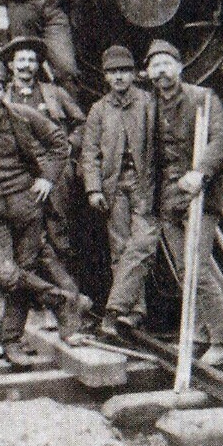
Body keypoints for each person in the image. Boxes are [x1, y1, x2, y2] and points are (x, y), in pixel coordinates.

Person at [0, 58, 78, 368]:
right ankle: (59, 298)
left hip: (26, 206)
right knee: (5, 274)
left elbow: (59, 143)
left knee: (23, 269)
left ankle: (11, 341)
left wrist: (47, 178)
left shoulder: (24, 116)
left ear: (5, 90)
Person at [145, 39, 223, 365]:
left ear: (179, 67)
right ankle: (199, 331)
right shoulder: (149, 107)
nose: (161, 71)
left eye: (166, 64)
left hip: (200, 194)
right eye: (154, 66)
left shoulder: (203, 98)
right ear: (148, 72)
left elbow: (220, 140)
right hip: (167, 201)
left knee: (195, 267)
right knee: (184, 271)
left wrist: (201, 172)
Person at [0, 35, 91, 320]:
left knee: (58, 231)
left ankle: (64, 300)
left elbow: (81, 123)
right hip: (19, 175)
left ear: (38, 65)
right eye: (21, 60)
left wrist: (68, 148)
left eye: (31, 60)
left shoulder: (54, 94)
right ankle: (37, 298)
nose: (26, 65)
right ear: (11, 65)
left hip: (55, 173)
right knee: (24, 234)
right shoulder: (0, 96)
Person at [81, 46, 158, 336]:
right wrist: (93, 189)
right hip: (114, 188)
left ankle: (116, 309)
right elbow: (90, 153)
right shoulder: (99, 110)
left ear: (134, 74)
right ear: (105, 77)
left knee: (141, 245)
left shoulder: (149, 103)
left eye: (124, 71)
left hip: (144, 185)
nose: (119, 77)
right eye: (113, 72)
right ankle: (134, 311)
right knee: (120, 249)